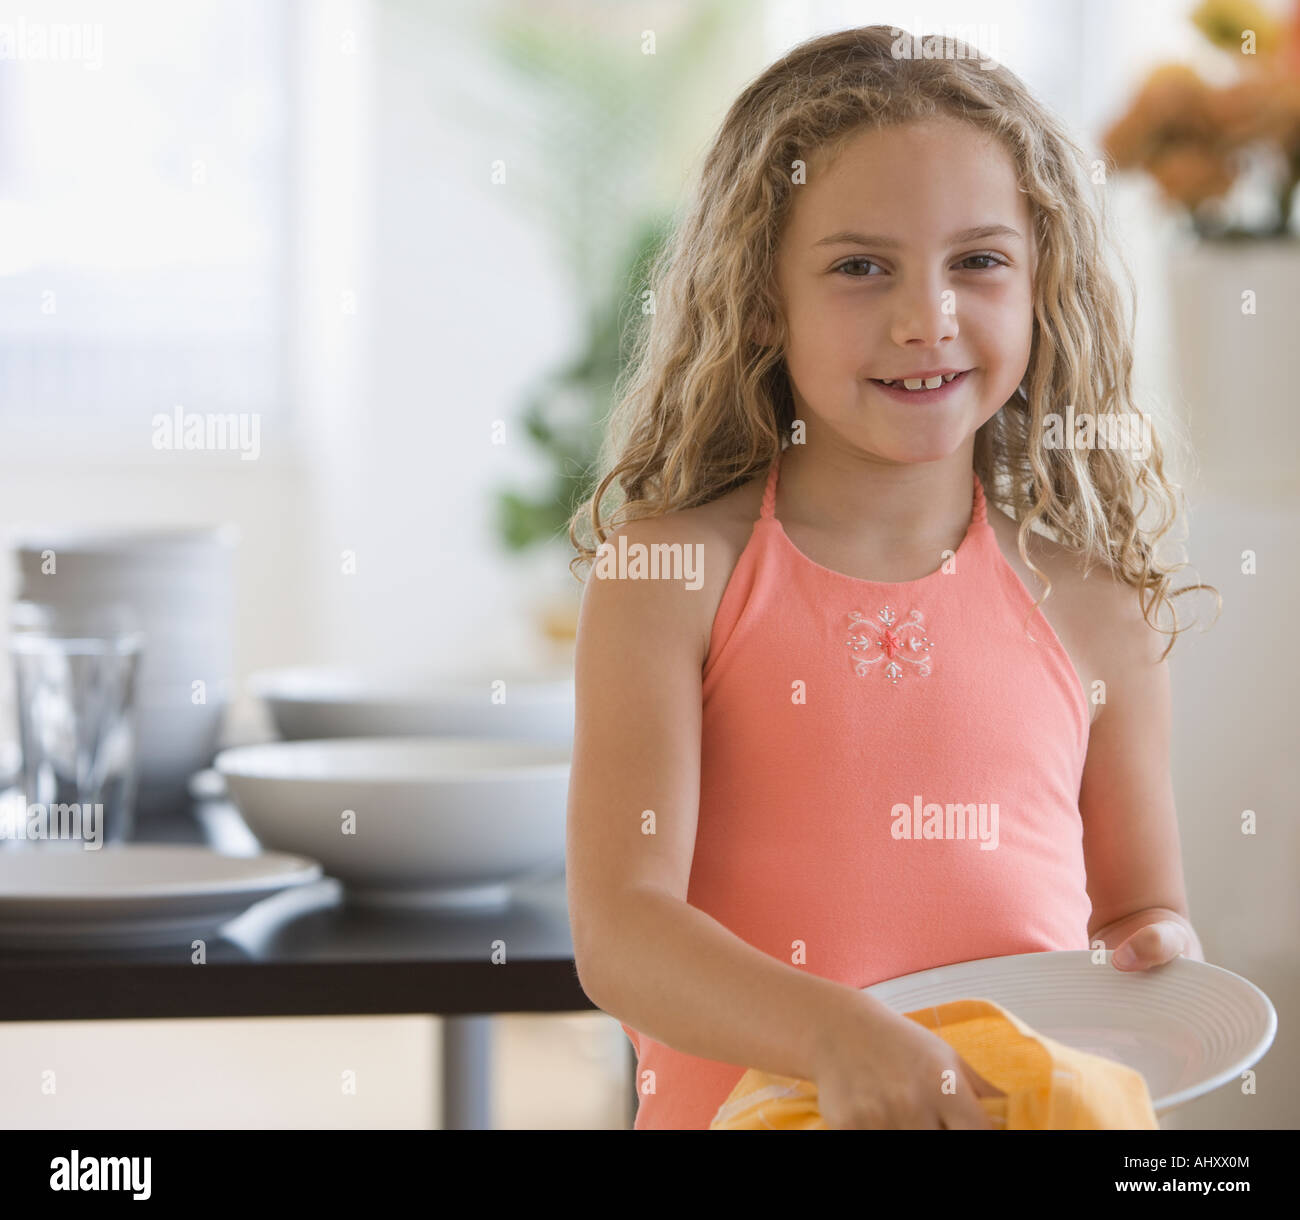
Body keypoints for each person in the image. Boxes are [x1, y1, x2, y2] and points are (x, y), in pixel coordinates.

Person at [563, 25, 1218, 1131]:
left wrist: (1161, 952)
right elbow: (624, 933)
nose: (929, 319)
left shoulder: (1095, 608)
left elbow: (1142, 912)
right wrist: (834, 1032)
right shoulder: (672, 576)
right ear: (761, 297)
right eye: (861, 266)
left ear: (1038, 282)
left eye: (977, 260)